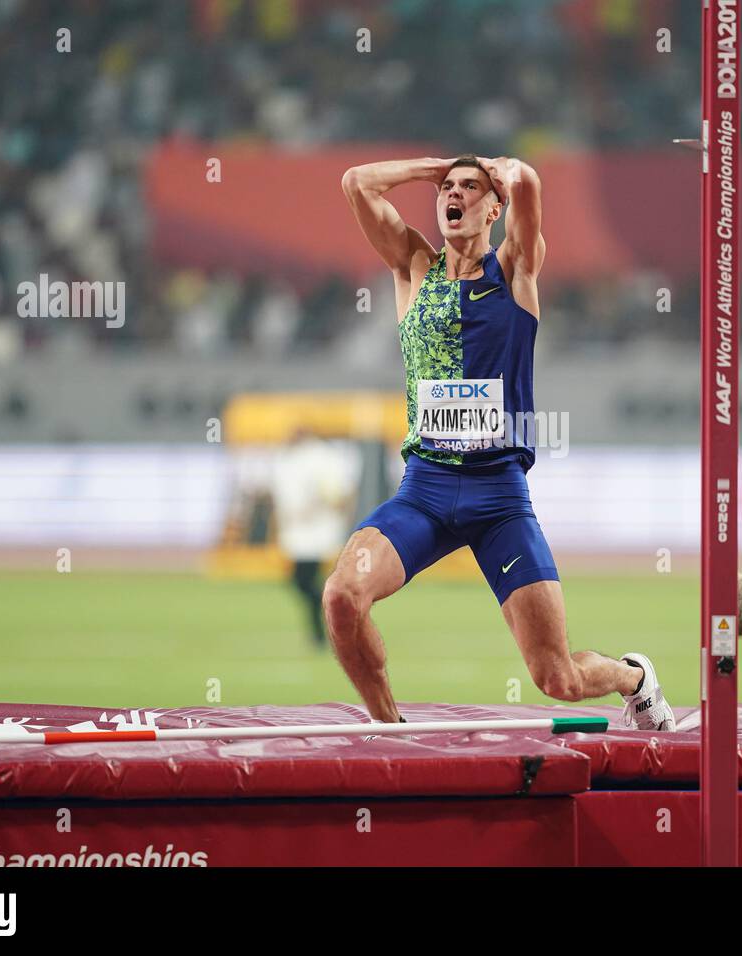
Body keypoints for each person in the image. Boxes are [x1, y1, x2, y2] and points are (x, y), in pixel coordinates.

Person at [326, 153, 674, 729]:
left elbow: (529, 184)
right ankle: (390, 729)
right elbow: (355, 182)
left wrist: (504, 170)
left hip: (498, 501)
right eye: (447, 189)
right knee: (341, 596)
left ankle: (634, 676)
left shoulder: (515, 270)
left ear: (493, 209)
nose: (453, 194)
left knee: (558, 678)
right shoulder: (414, 266)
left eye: (470, 187)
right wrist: (437, 166)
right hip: (424, 493)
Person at [272, 427, 358, 646]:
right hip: (302, 532)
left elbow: (335, 494)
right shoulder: (293, 459)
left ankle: (327, 625)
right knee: (306, 581)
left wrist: (313, 508)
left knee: (302, 580)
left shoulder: (321, 458)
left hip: (316, 532)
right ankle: (326, 627)